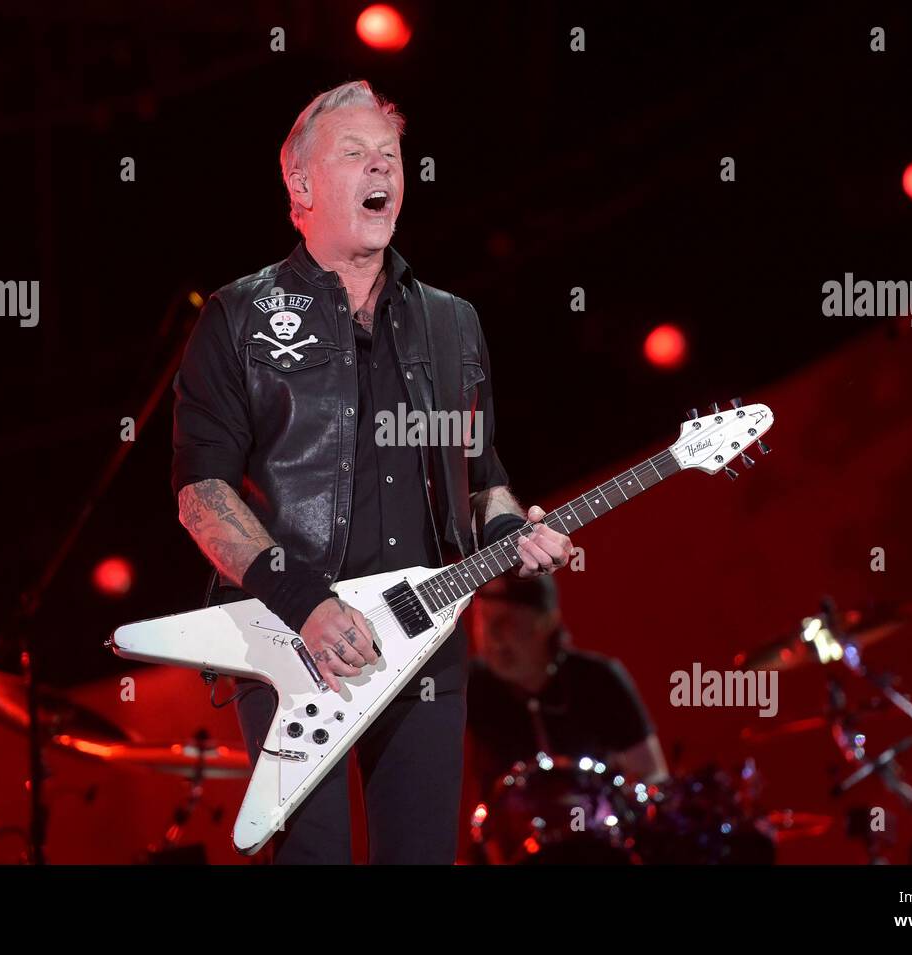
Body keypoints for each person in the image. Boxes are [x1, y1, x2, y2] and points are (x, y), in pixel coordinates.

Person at [171, 80, 572, 864]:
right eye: (352, 153)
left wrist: (508, 527)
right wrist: (307, 603)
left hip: (424, 637)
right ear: (301, 185)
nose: (378, 167)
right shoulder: (237, 317)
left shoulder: (453, 321)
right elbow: (202, 494)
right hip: (292, 635)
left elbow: (482, 473)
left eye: (388, 154)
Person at [466, 574, 668, 796]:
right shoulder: (468, 685)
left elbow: (652, 777)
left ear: (547, 622)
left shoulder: (599, 680)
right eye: (482, 619)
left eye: (506, 621)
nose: (492, 637)